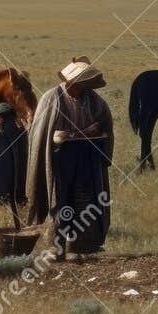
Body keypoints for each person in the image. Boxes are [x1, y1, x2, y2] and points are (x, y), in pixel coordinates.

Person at [26, 59, 113, 259]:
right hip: (59, 159)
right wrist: (59, 139)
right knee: (60, 201)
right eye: (81, 84)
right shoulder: (51, 99)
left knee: (84, 200)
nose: (83, 89)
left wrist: (95, 133)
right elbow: (40, 135)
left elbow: (105, 126)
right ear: (71, 82)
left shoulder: (95, 102)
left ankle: (78, 246)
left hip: (86, 157)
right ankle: (55, 247)